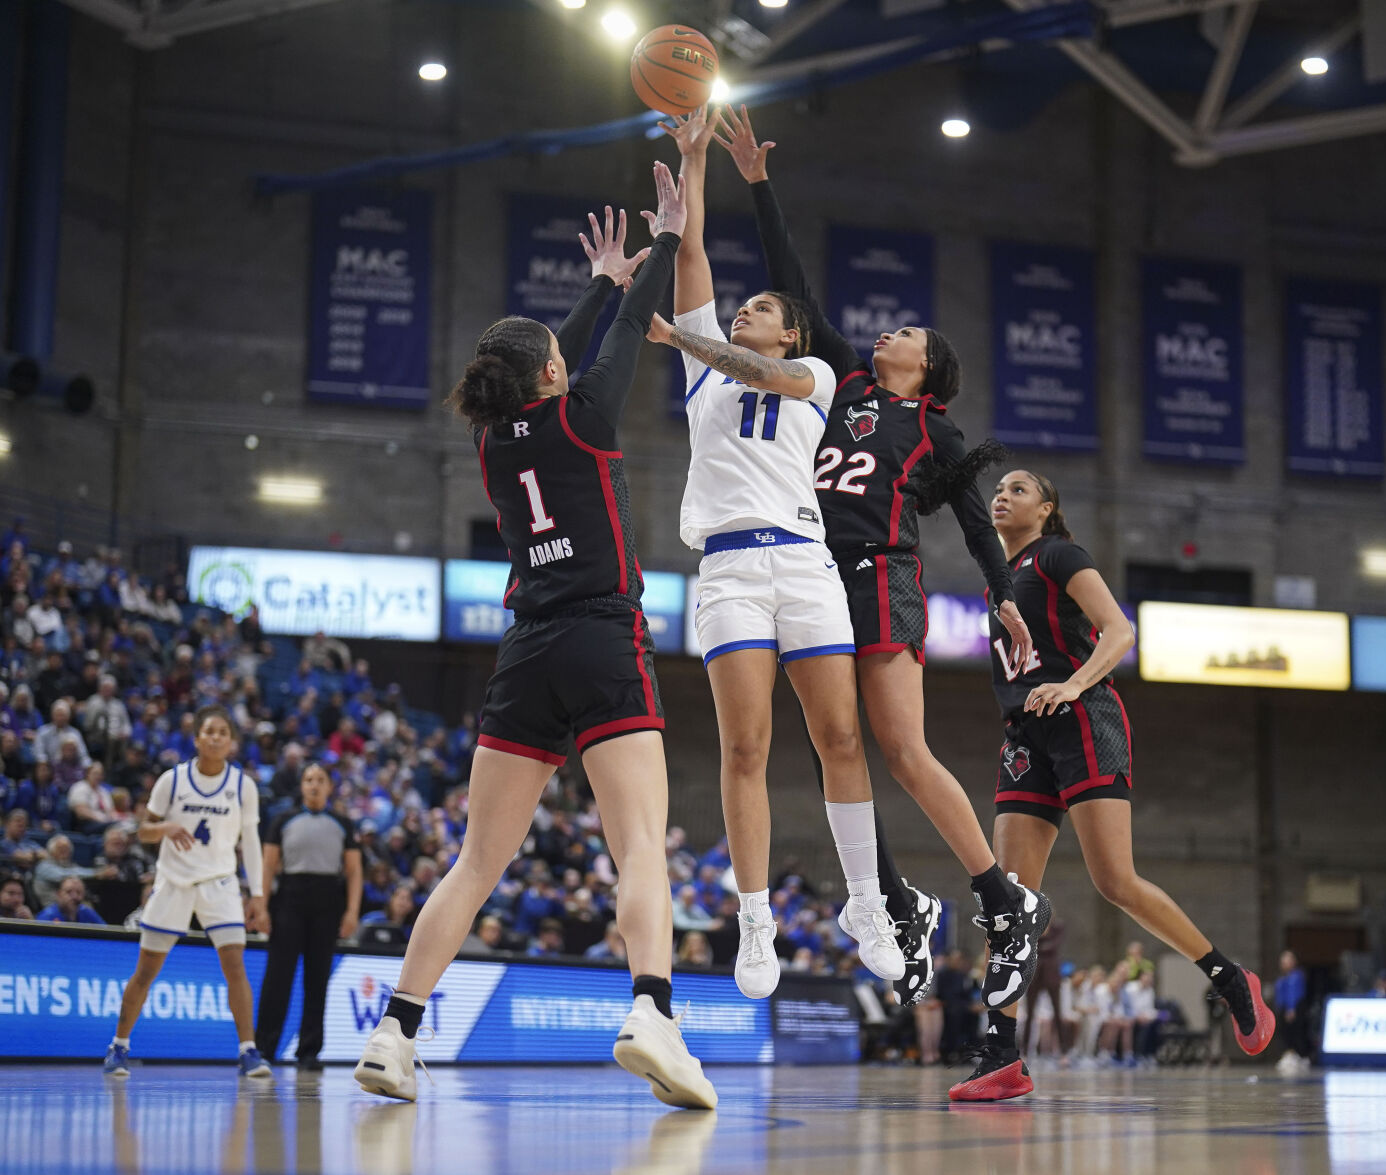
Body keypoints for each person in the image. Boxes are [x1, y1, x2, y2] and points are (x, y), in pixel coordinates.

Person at [352, 172, 714, 1112]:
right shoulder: (584, 417)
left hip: (525, 653)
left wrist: (595, 282)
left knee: (476, 862)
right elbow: (626, 333)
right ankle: (651, 1012)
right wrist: (666, 241)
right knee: (639, 847)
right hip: (602, 636)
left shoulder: (490, 441)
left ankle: (394, 1031)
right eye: (557, 354)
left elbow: (556, 350)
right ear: (553, 374)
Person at [714, 105, 1047, 1011]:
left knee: (899, 746)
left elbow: (975, 524)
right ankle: (896, 900)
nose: (886, 335)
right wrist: (757, 183)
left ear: (927, 364)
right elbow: (793, 291)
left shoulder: (937, 429)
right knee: (836, 744)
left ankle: (999, 897)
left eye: (906, 333)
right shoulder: (842, 379)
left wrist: (1004, 597)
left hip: (882, 575)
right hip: (810, 570)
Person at [647, 106, 903, 1001]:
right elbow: (690, 255)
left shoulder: (814, 374)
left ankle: (866, 904)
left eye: (760, 308)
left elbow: (764, 373)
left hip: (802, 561)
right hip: (727, 571)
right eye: (739, 307)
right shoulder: (703, 369)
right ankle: (754, 921)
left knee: (840, 735)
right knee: (744, 745)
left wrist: (681, 336)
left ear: (790, 332)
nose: (743, 310)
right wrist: (693, 163)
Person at [950, 470, 1274, 1102]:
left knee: (1114, 881)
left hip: (1082, 719)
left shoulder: (1057, 555)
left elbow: (1120, 630)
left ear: (1047, 508)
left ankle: (1230, 978)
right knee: (1008, 900)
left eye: (1019, 489)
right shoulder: (997, 580)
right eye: (1000, 488)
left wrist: (1073, 684)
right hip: (1026, 735)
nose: (1003, 494)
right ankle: (1001, 1054)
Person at [102, 706, 271, 1078]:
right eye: (209, 731)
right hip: (174, 881)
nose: (215, 737)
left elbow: (251, 842)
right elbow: (143, 831)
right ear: (196, 739)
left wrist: (258, 895)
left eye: (222, 732)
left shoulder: (243, 785)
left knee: (235, 966)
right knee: (146, 970)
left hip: (220, 883)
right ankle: (118, 1046)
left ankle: (249, 1052)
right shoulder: (172, 780)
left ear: (231, 742)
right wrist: (166, 828)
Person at [255, 763, 362, 1070]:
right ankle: (264, 1049)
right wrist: (261, 906)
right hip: (289, 899)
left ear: (330, 787)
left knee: (317, 979)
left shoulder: (342, 823)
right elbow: (268, 866)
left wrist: (352, 911)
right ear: (301, 786)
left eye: (320, 780)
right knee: (277, 977)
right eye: (308, 779)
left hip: (327, 903)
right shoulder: (283, 820)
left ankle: (309, 1051)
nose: (314, 785)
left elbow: (354, 871)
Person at [1273, 950, 1309, 1074]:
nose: (1284, 963)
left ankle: (1297, 1055)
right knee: (1284, 1032)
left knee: (1293, 1032)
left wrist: (1291, 1008)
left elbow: (1294, 994)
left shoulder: (1296, 977)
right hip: (1282, 1008)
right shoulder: (1283, 978)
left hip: (1292, 1009)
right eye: (1283, 961)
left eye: (1287, 960)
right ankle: (1289, 1053)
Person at [36, 874, 105, 924]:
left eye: (78, 892)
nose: (74, 896)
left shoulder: (87, 912)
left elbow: (105, 932)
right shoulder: (46, 917)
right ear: (59, 894)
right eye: (69, 892)